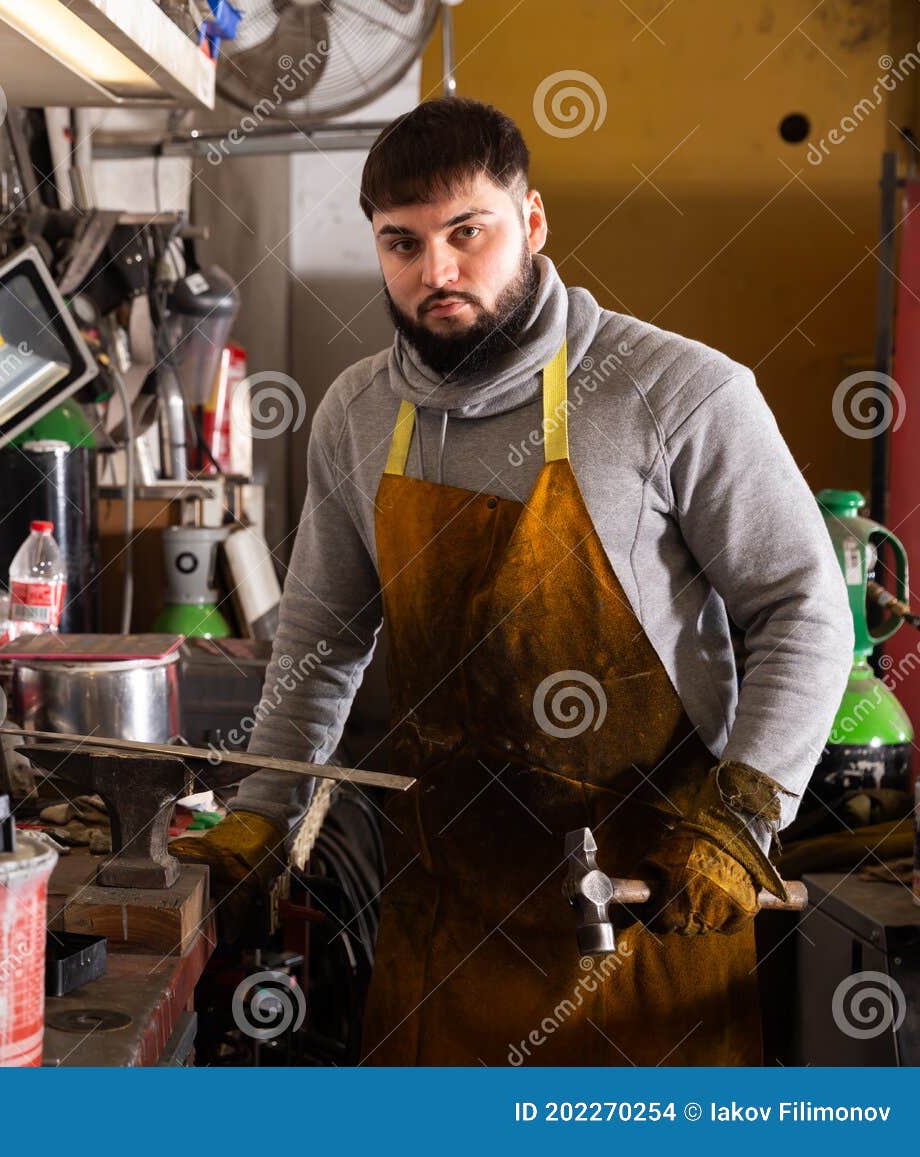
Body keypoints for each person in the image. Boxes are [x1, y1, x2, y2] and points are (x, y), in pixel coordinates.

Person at [175, 96, 851, 1065]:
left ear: (530, 223)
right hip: (444, 921)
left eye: (466, 232)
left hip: (646, 913)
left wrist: (743, 812)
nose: (434, 271)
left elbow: (803, 606)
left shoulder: (675, 392)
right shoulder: (356, 413)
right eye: (400, 243)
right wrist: (263, 810)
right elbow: (320, 645)